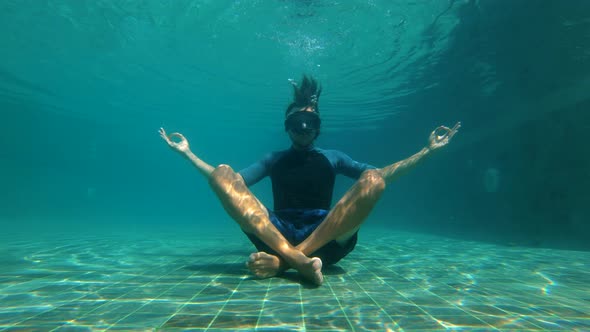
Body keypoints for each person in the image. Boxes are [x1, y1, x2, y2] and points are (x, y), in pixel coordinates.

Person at [159, 76, 460, 286]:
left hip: (326, 235)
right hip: (276, 232)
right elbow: (228, 184)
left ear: (318, 128)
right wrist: (188, 154)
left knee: (373, 179)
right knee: (223, 171)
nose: (303, 130)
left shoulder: (334, 157)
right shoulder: (273, 159)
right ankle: (300, 261)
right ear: (287, 128)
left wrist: (426, 152)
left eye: (310, 124)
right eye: (296, 124)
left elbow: (381, 177)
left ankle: (287, 261)